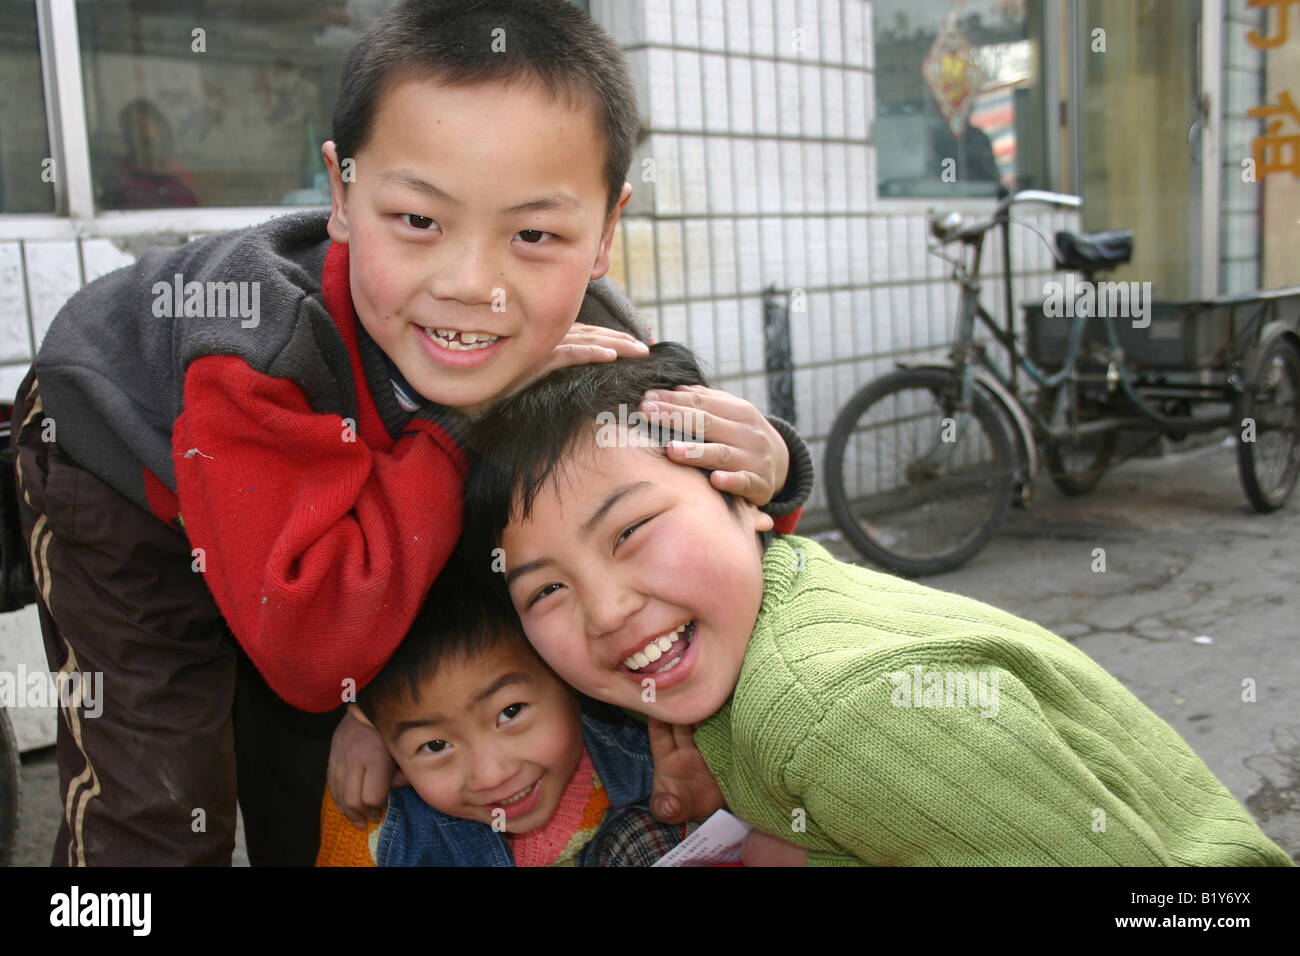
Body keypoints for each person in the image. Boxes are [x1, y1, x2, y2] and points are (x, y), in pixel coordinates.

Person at [10, 0, 810, 866]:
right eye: (419, 221)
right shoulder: (260, 351)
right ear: (342, 194)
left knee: (330, 762)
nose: (473, 285)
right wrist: (460, 427)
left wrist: (773, 470)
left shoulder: (591, 335)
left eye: (535, 233)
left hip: (321, 557)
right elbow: (313, 643)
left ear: (606, 231)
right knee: (155, 800)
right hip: (126, 478)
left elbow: (690, 538)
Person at [459, 342, 1295, 866]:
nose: (605, 612)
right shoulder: (777, 603)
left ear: (749, 495)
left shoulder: (829, 713)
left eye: (632, 530)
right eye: (547, 590)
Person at [316, 553, 690, 866]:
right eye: (434, 746)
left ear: (562, 669)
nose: (491, 775)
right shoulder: (379, 831)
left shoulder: (656, 755)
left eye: (510, 712)